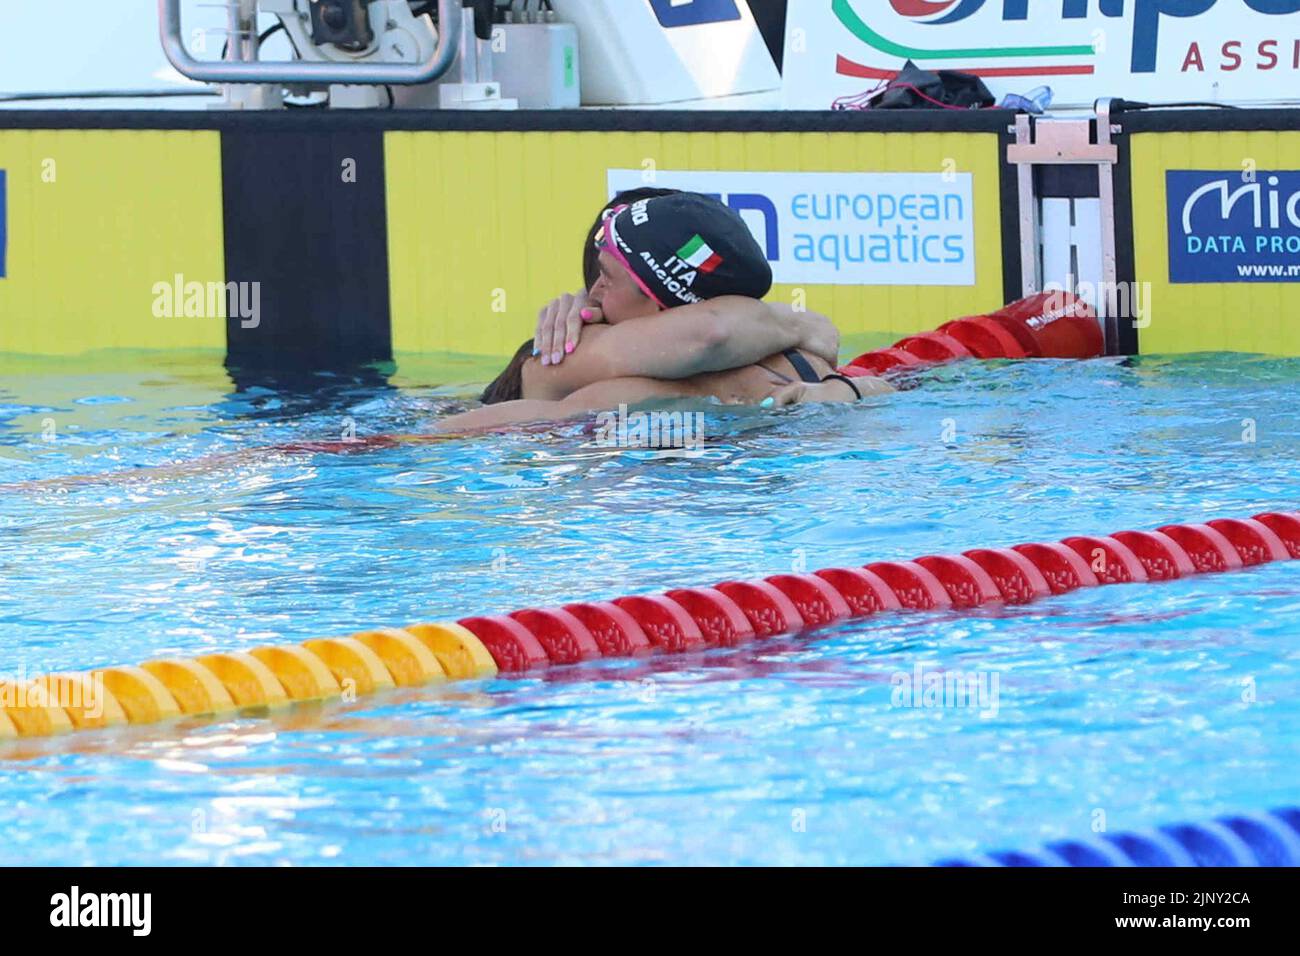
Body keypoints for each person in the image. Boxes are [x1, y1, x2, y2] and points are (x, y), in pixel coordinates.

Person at [439, 191, 885, 433]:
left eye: (607, 277)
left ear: (660, 303)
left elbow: (710, 334)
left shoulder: (649, 376)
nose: (589, 295)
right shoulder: (565, 353)